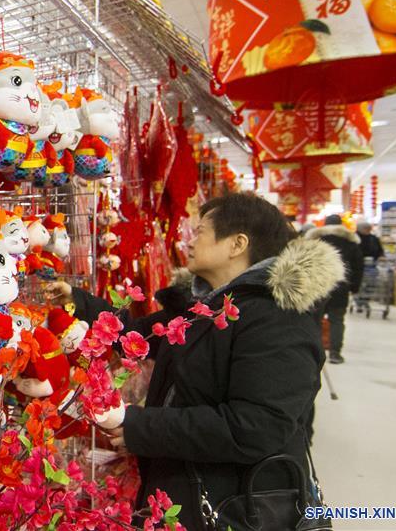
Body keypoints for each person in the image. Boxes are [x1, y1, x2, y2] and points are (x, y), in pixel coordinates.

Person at [45, 193, 344, 531]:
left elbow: (256, 426)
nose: (188, 240)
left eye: (199, 231)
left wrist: (140, 426)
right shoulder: (209, 306)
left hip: (237, 505)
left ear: (237, 244)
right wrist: (79, 301)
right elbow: (139, 337)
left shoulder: (277, 318)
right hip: (190, 489)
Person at [305, 215, 364, 364]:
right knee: (337, 320)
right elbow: (358, 268)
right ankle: (335, 353)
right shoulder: (350, 243)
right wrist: (354, 287)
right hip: (340, 287)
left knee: (314, 320)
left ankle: (313, 353)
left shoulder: (314, 241)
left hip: (317, 287)